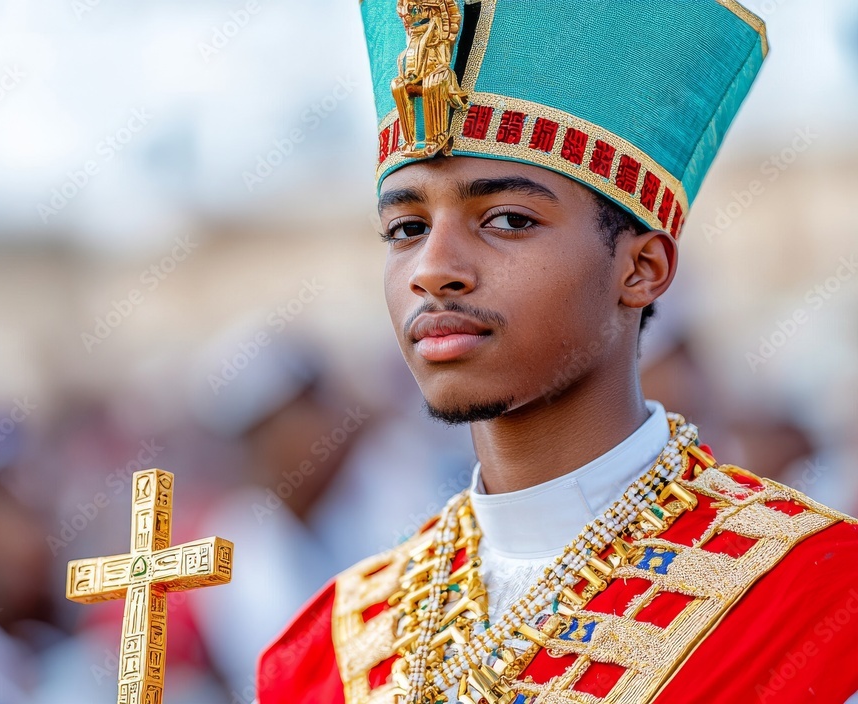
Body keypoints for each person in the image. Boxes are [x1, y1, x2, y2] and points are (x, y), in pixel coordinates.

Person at [255, 2, 858, 703]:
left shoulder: (817, 605)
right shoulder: (324, 654)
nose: (433, 269)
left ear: (642, 269)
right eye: (406, 228)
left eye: (508, 219)